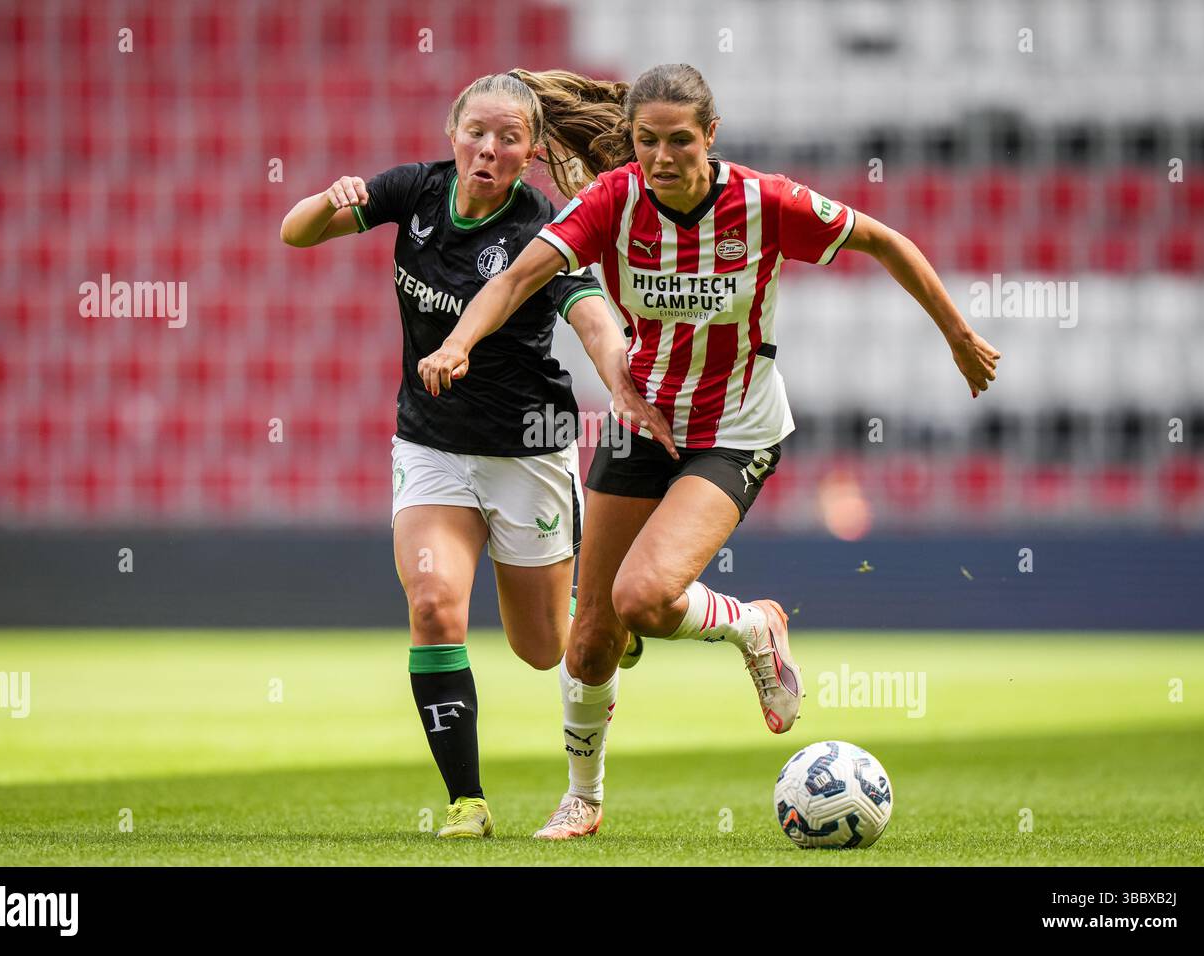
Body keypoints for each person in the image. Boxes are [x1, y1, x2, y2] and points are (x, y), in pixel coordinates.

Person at [417, 63, 1001, 840]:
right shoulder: (612, 201)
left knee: (643, 599)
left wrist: (959, 336)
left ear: (711, 137)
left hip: (735, 430)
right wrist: (458, 342)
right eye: (647, 140)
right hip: (645, 422)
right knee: (589, 639)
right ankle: (583, 799)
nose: (663, 157)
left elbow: (884, 241)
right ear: (630, 140)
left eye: (680, 141)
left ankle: (753, 624)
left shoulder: (765, 203)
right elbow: (519, 277)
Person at [279, 71, 670, 839]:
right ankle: (467, 802)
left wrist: (620, 380)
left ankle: (599, 624)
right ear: (453, 136)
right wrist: (329, 200)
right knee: (432, 606)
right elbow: (295, 232)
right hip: (431, 444)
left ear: (529, 154)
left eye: (508, 139)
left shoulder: (543, 228)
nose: (488, 149)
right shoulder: (413, 192)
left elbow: (591, 316)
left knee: (541, 649)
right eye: (476, 134)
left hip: (528, 451)